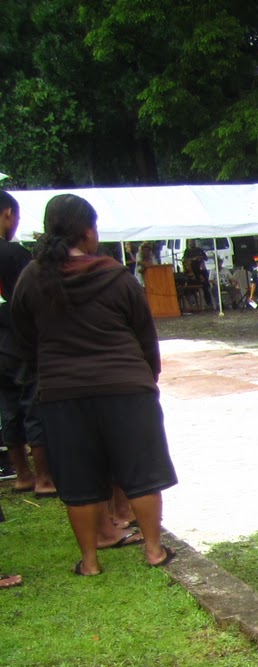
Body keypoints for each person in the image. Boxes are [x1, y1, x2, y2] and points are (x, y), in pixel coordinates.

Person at [10, 194, 178, 575]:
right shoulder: (116, 275)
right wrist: (147, 377)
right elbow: (143, 334)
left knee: (78, 476)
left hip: (62, 392)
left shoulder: (32, 278)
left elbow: (23, 337)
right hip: (126, 386)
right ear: (87, 231)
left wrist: (49, 371)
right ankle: (154, 550)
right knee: (142, 471)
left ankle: (90, 562)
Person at [0, 190, 54, 501]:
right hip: (18, 342)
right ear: (8, 213)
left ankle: (22, 474)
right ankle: (44, 478)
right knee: (33, 407)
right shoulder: (14, 255)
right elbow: (32, 299)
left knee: (7, 410)